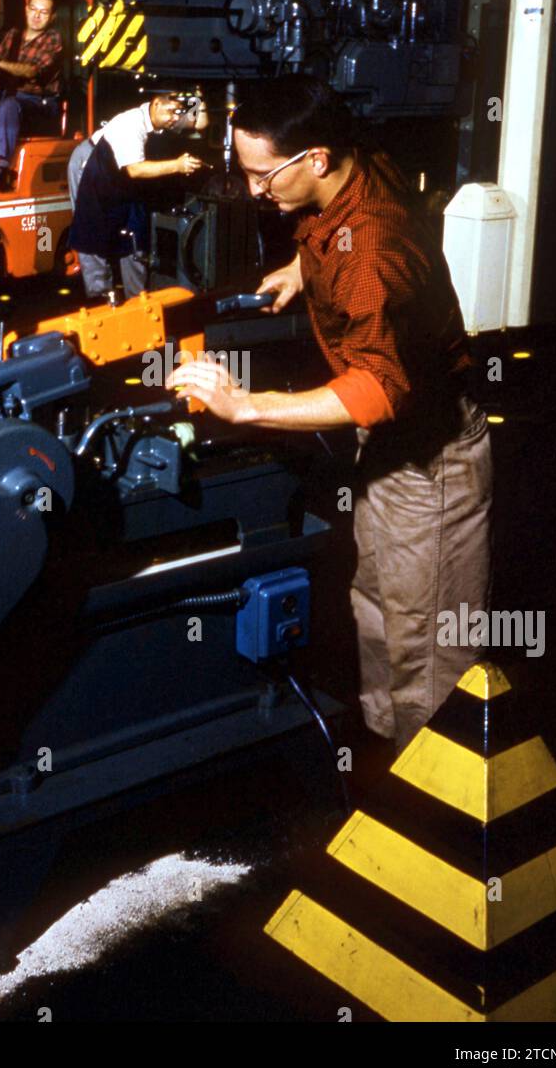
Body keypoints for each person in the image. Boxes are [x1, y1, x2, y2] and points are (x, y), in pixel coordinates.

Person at [166, 77, 493, 755]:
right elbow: (336, 230)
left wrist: (246, 406)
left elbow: (376, 390)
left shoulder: (371, 251)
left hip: (428, 458)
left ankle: (443, 807)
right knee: (378, 610)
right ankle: (389, 769)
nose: (254, 191)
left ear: (313, 158)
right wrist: (302, 268)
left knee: (427, 644)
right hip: (389, 453)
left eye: (263, 175)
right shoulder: (356, 166)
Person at [69, 90, 205, 299]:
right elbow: (135, 169)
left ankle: (137, 298)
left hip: (122, 177)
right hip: (93, 164)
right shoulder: (130, 124)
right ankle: (100, 297)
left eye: (179, 113)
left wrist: (197, 98)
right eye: (172, 112)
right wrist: (177, 165)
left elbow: (200, 123)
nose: (176, 118)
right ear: (156, 103)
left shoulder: (166, 116)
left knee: (134, 233)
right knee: (92, 228)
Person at [0, 0, 64, 190]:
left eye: (44, 12)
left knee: (8, 105)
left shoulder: (53, 39)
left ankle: (2, 171)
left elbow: (31, 72)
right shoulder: (13, 35)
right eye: (33, 9)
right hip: (12, 94)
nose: (37, 16)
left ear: (52, 17)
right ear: (26, 10)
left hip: (41, 103)